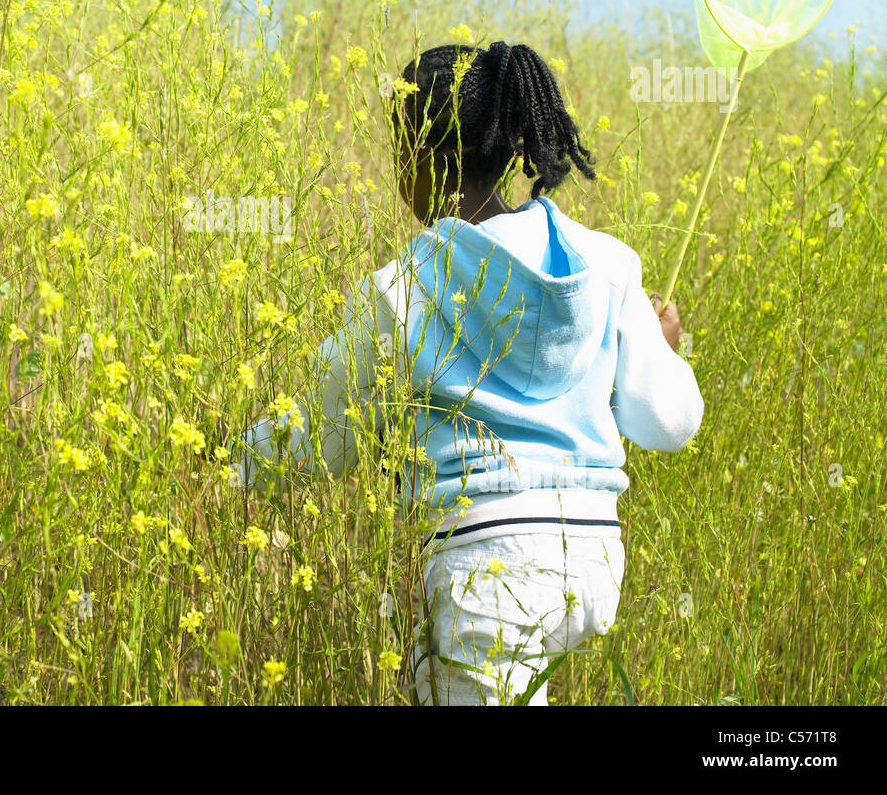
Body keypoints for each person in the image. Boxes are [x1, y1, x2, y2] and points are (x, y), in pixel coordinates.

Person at [236, 40, 703, 705]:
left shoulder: (405, 286)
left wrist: (231, 461)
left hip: (484, 568)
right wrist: (666, 350)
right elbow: (667, 423)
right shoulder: (608, 264)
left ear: (415, 157)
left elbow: (322, 435)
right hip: (592, 557)